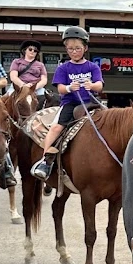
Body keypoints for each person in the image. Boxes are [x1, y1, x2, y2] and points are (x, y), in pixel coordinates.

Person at [30, 27, 103, 180]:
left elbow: (99, 85)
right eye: (70, 49)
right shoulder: (63, 68)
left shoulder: (93, 67)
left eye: (77, 48)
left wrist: (92, 86)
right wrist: (70, 87)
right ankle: (45, 160)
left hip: (91, 102)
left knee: (111, 122)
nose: (74, 51)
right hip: (70, 103)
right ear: (66, 49)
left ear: (85, 48)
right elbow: (61, 89)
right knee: (56, 127)